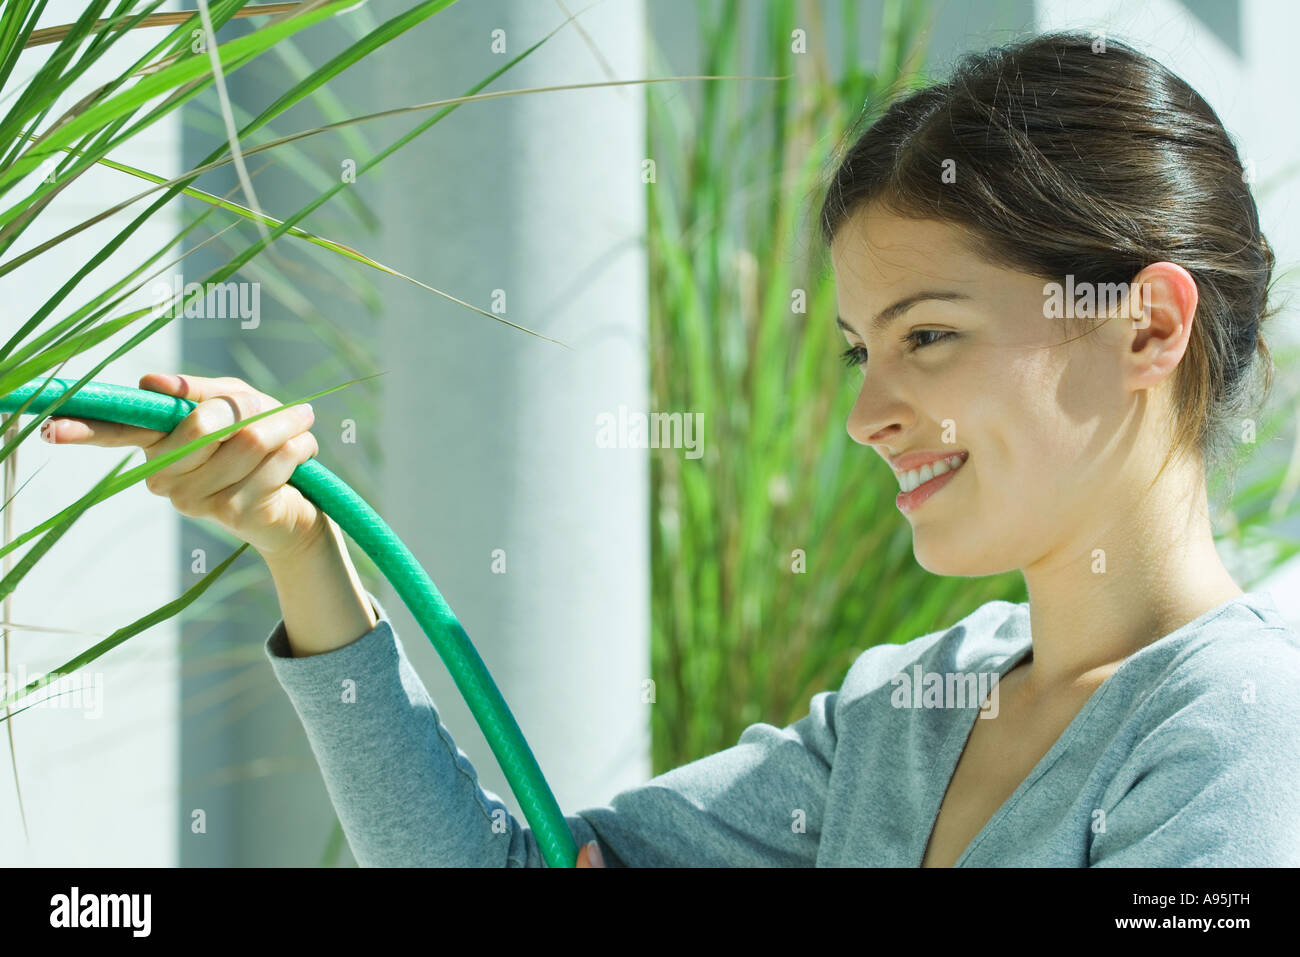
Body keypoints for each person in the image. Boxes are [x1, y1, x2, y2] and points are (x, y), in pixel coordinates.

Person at [43, 29, 1300, 866]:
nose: (866, 417)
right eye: (860, 351)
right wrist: (301, 548)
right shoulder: (909, 712)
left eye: (927, 336)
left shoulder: (1243, 735)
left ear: (1143, 327)